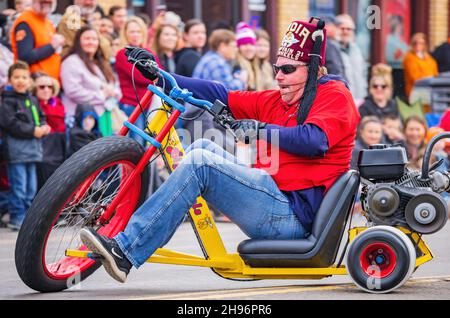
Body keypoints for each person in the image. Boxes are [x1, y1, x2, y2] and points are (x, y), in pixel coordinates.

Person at [79, 18, 360, 283]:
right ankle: (147, 233)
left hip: (292, 218)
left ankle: (126, 252)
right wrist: (161, 75)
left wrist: (260, 130)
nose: (279, 76)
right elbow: (219, 93)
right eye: (276, 68)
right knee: (202, 147)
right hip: (274, 200)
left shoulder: (334, 95)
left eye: (288, 69)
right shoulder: (276, 100)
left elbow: (314, 140)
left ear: (312, 70)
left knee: (201, 163)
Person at [0, 61, 50, 230]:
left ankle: (28, 216)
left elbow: (41, 117)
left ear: (30, 80)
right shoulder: (7, 101)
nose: (20, 81)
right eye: (16, 77)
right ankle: (17, 216)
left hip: (33, 150)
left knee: (30, 187)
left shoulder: (32, 99)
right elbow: (10, 123)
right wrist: (32, 130)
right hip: (17, 152)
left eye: (24, 77)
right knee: (19, 186)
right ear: (9, 80)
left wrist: (43, 126)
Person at [60, 26, 120, 137]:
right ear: (78, 41)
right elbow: (73, 91)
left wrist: (113, 92)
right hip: (82, 120)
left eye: (94, 39)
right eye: (87, 38)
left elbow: (115, 85)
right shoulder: (71, 62)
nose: (91, 42)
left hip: (104, 116)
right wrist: (101, 95)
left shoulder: (98, 63)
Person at [116, 16, 162, 145]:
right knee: (135, 145)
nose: (135, 35)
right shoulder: (122, 54)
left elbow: (161, 74)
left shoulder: (148, 52)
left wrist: (155, 75)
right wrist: (153, 75)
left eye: (138, 31)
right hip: (132, 105)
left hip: (150, 105)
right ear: (125, 33)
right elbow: (140, 77)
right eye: (132, 31)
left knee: (149, 145)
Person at [10, 0, 64, 81]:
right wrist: (52, 47)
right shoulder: (25, 21)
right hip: (34, 85)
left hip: (50, 85)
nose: (46, 4)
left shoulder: (47, 22)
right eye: (42, 2)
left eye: (49, 2)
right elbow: (24, 57)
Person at [32, 72, 66, 188]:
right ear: (34, 89)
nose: (46, 90)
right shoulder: (33, 105)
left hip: (59, 146)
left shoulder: (58, 103)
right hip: (44, 148)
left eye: (49, 86)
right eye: (42, 87)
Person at [336, 14, 368, 101]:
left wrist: (364, 95)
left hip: (358, 99)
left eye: (349, 29)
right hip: (340, 100)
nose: (345, 31)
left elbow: (363, 74)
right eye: (342, 28)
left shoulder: (357, 50)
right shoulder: (331, 50)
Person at [403, 33, 439, 100]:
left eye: (421, 43)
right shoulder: (409, 58)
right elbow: (415, 77)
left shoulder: (429, 58)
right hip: (416, 90)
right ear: (412, 44)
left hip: (430, 90)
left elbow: (435, 74)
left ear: (424, 45)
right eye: (415, 43)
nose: (418, 45)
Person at [234, 22, 260, 91]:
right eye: (245, 44)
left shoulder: (256, 65)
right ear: (238, 48)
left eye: (251, 44)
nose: (249, 48)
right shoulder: (237, 66)